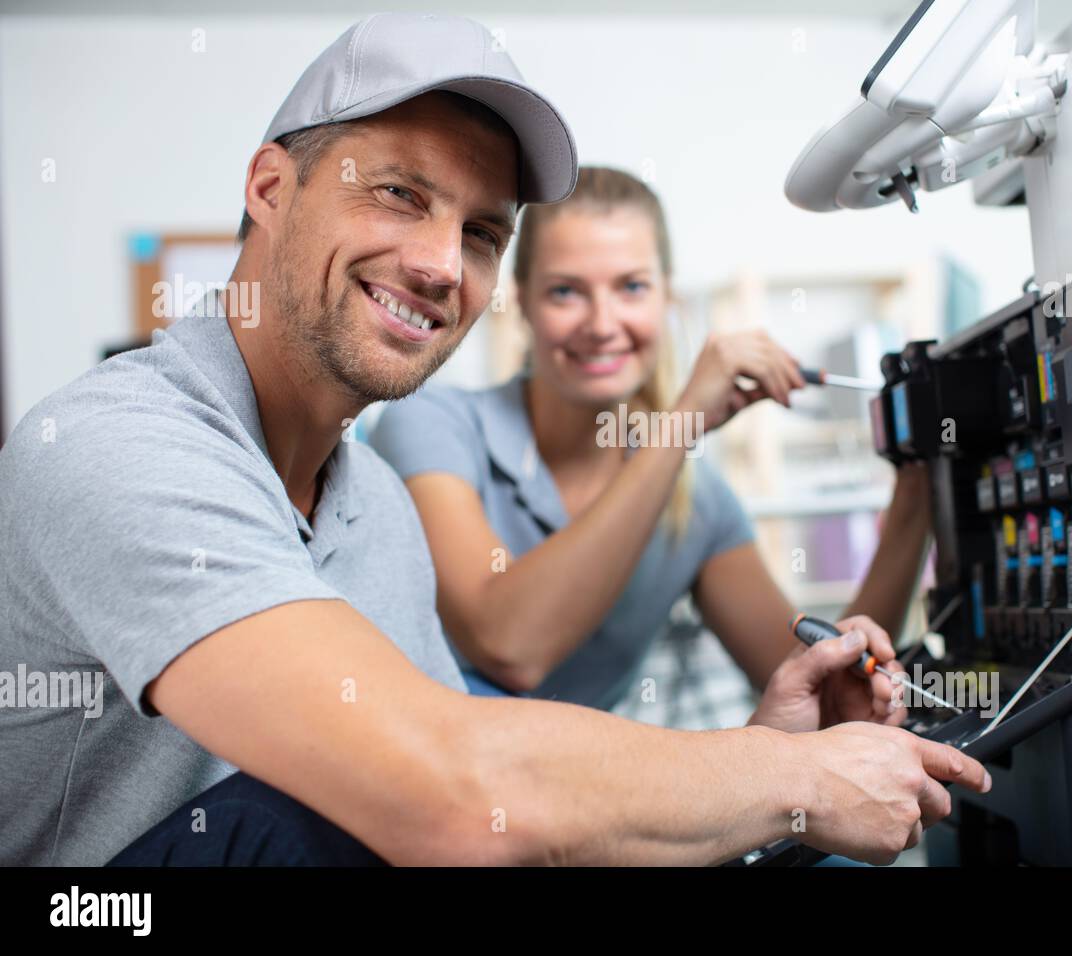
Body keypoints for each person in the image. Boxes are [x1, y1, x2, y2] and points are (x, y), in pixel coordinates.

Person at [0, 13, 988, 867]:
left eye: (480, 231)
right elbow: (451, 792)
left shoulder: (371, 502)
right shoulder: (114, 444)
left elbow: (496, 813)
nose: (437, 262)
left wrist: (763, 750)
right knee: (316, 809)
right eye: (396, 192)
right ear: (268, 187)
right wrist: (784, 776)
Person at [369, 166, 933, 711]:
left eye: (632, 287)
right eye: (566, 291)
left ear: (667, 301)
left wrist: (917, 486)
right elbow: (509, 645)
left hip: (581, 800)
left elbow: (826, 696)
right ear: (522, 303)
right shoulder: (430, 424)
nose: (602, 322)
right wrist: (682, 423)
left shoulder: (697, 502)